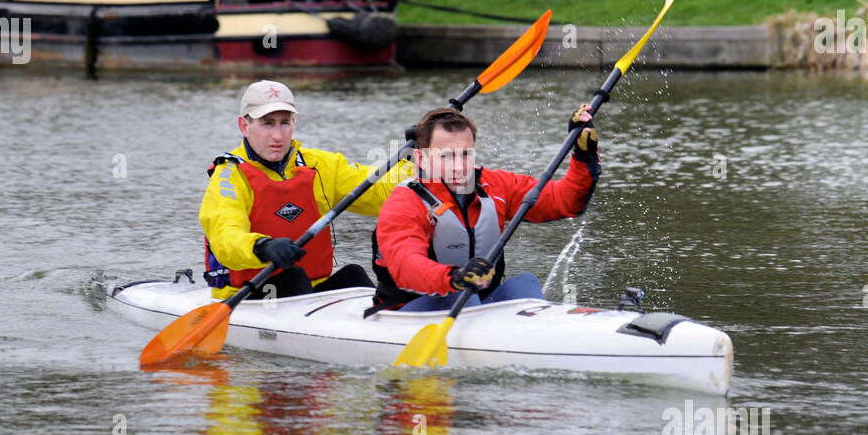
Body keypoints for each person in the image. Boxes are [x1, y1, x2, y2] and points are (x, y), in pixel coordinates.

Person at [370, 104, 599, 313]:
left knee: (525, 284)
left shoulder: (495, 185)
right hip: (409, 312)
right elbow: (406, 266)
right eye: (447, 157)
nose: (460, 167)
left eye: (466, 155)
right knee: (461, 296)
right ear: (420, 158)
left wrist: (582, 155)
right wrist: (454, 277)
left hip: (475, 305)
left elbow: (565, 201)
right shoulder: (404, 203)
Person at [199, 80, 409, 299]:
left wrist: (423, 156)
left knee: (353, 274)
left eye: (284, 123)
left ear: (294, 122)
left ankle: (377, 326)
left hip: (310, 290)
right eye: (267, 123)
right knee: (293, 276)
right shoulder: (229, 176)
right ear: (244, 126)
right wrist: (262, 246)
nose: (278, 136)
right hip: (249, 292)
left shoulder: (320, 165)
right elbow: (225, 236)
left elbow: (381, 190)